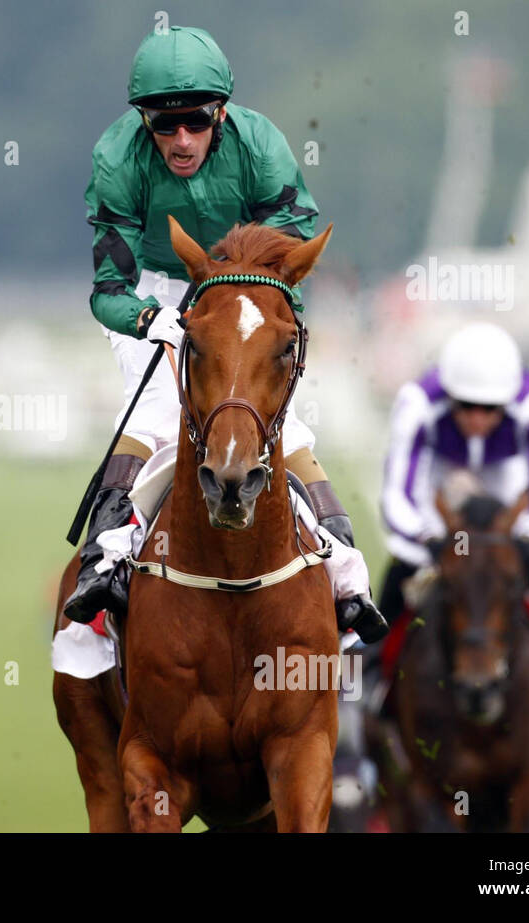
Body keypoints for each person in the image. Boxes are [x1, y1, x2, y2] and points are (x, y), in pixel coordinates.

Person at [66, 26, 384, 641]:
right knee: (160, 412)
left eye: (196, 121)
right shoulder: (115, 158)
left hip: (242, 281)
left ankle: (344, 570)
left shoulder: (261, 145)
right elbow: (109, 291)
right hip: (156, 286)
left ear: (222, 112)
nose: (181, 140)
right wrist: (151, 321)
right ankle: (102, 562)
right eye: (164, 124)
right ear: (143, 121)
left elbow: (290, 249)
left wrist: (235, 290)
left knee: (275, 419)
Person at [375, 321, 529, 705]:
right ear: (448, 395)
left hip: (505, 472)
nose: (478, 419)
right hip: (443, 469)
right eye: (465, 406)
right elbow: (397, 493)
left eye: (490, 408)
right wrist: (425, 537)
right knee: (406, 561)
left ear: (508, 399)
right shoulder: (417, 402)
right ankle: (371, 661)